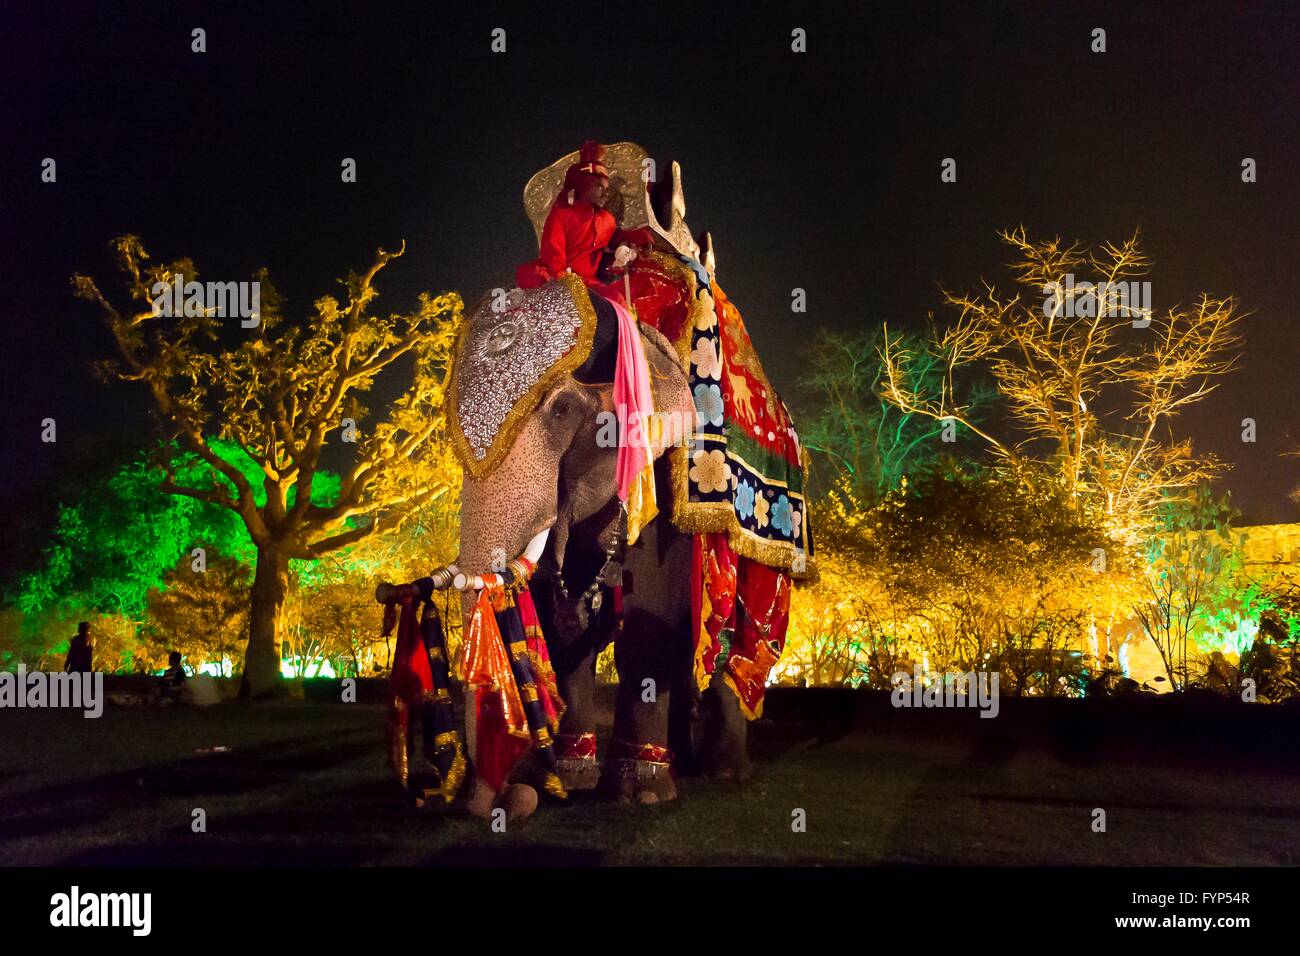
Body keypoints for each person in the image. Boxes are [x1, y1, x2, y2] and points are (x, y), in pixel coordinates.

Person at [515, 140, 655, 294]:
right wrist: (567, 284)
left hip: (589, 282)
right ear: (583, 185)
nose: (605, 193)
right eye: (599, 186)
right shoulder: (561, 215)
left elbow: (613, 238)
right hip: (560, 278)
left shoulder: (608, 219)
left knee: (619, 300)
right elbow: (553, 256)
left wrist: (640, 236)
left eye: (606, 188)